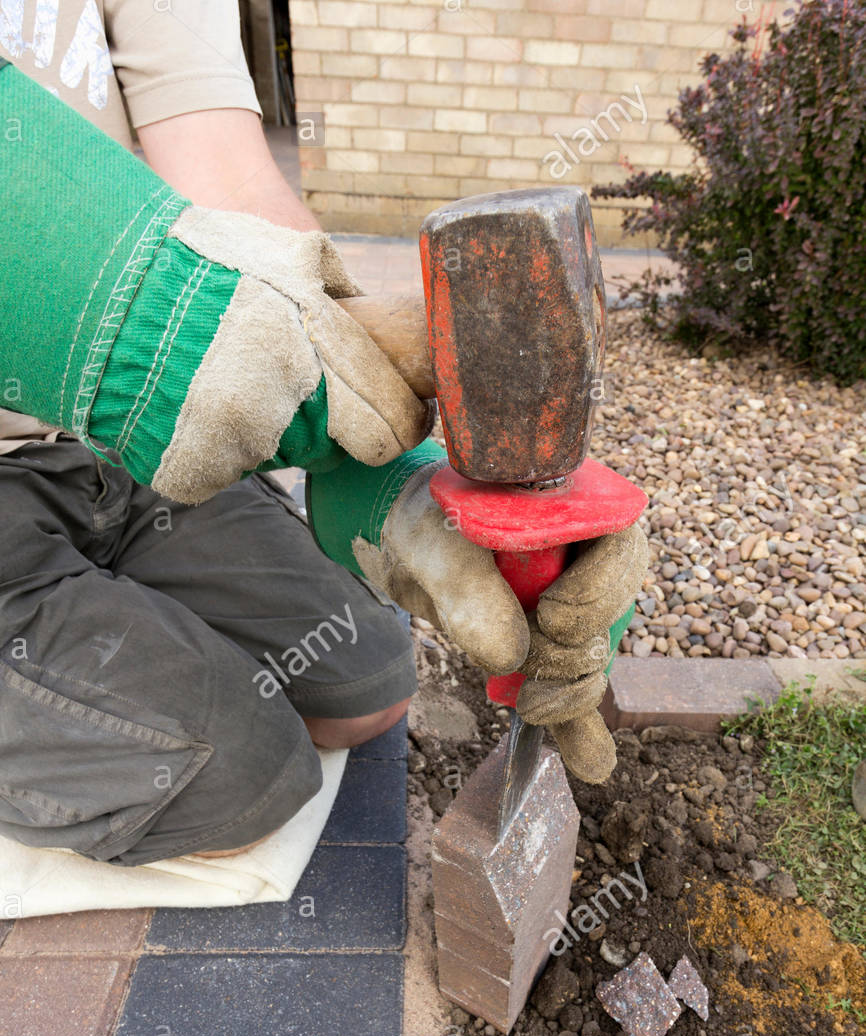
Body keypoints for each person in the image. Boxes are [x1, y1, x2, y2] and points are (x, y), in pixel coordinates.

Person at [0, 2, 647, 868]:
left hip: (121, 452)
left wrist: (398, 465)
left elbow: (227, 176)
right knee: (249, 776)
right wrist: (146, 325)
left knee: (365, 681)